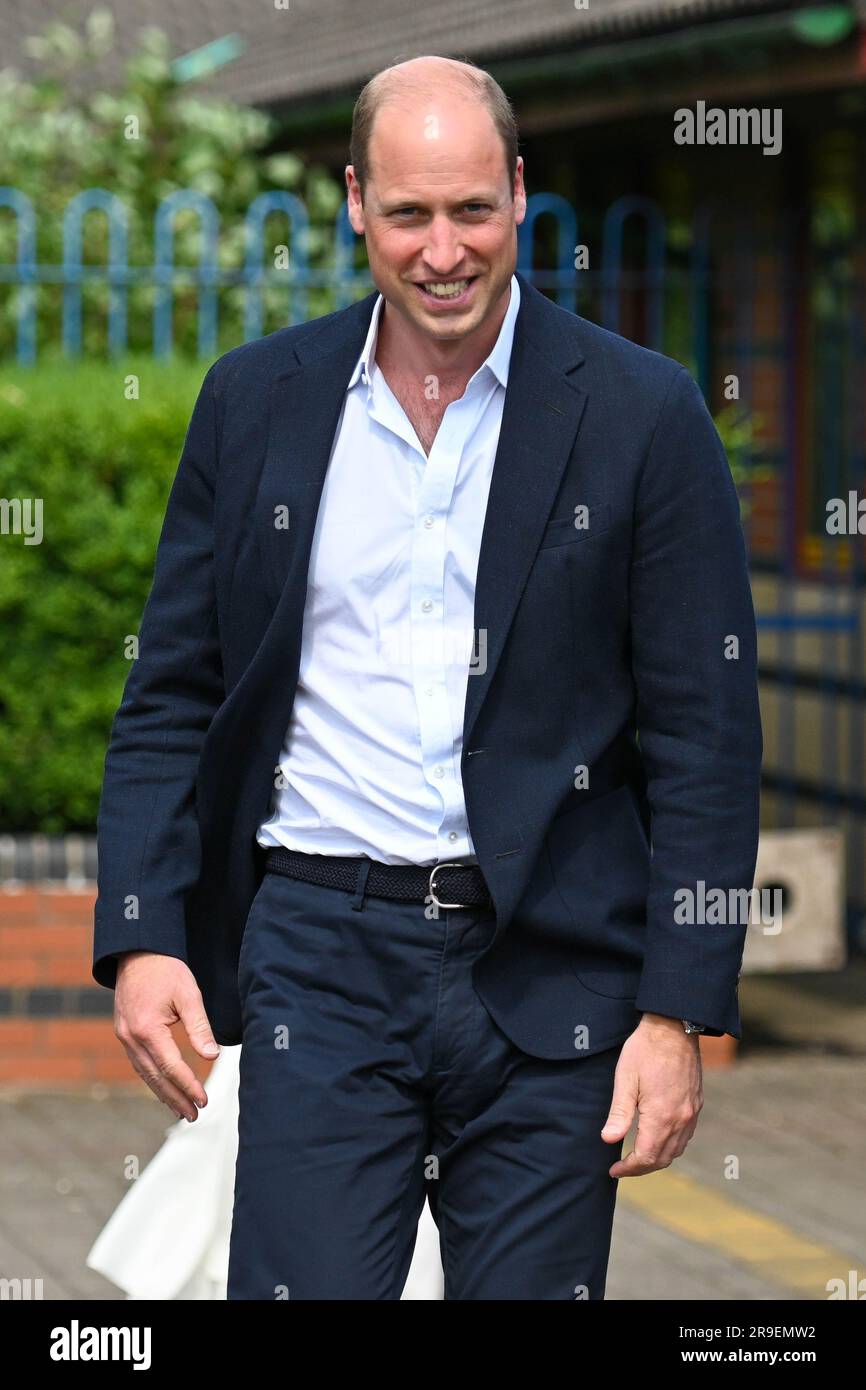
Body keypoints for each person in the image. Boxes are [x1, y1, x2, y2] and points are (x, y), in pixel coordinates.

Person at [92, 54, 762, 1301]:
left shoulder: (641, 414)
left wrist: (676, 1015)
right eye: (407, 213)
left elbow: (702, 738)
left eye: (469, 209)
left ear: (516, 193)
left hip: (557, 977)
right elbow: (174, 693)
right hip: (319, 962)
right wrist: (142, 935)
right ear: (354, 203)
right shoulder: (255, 403)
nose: (441, 249)